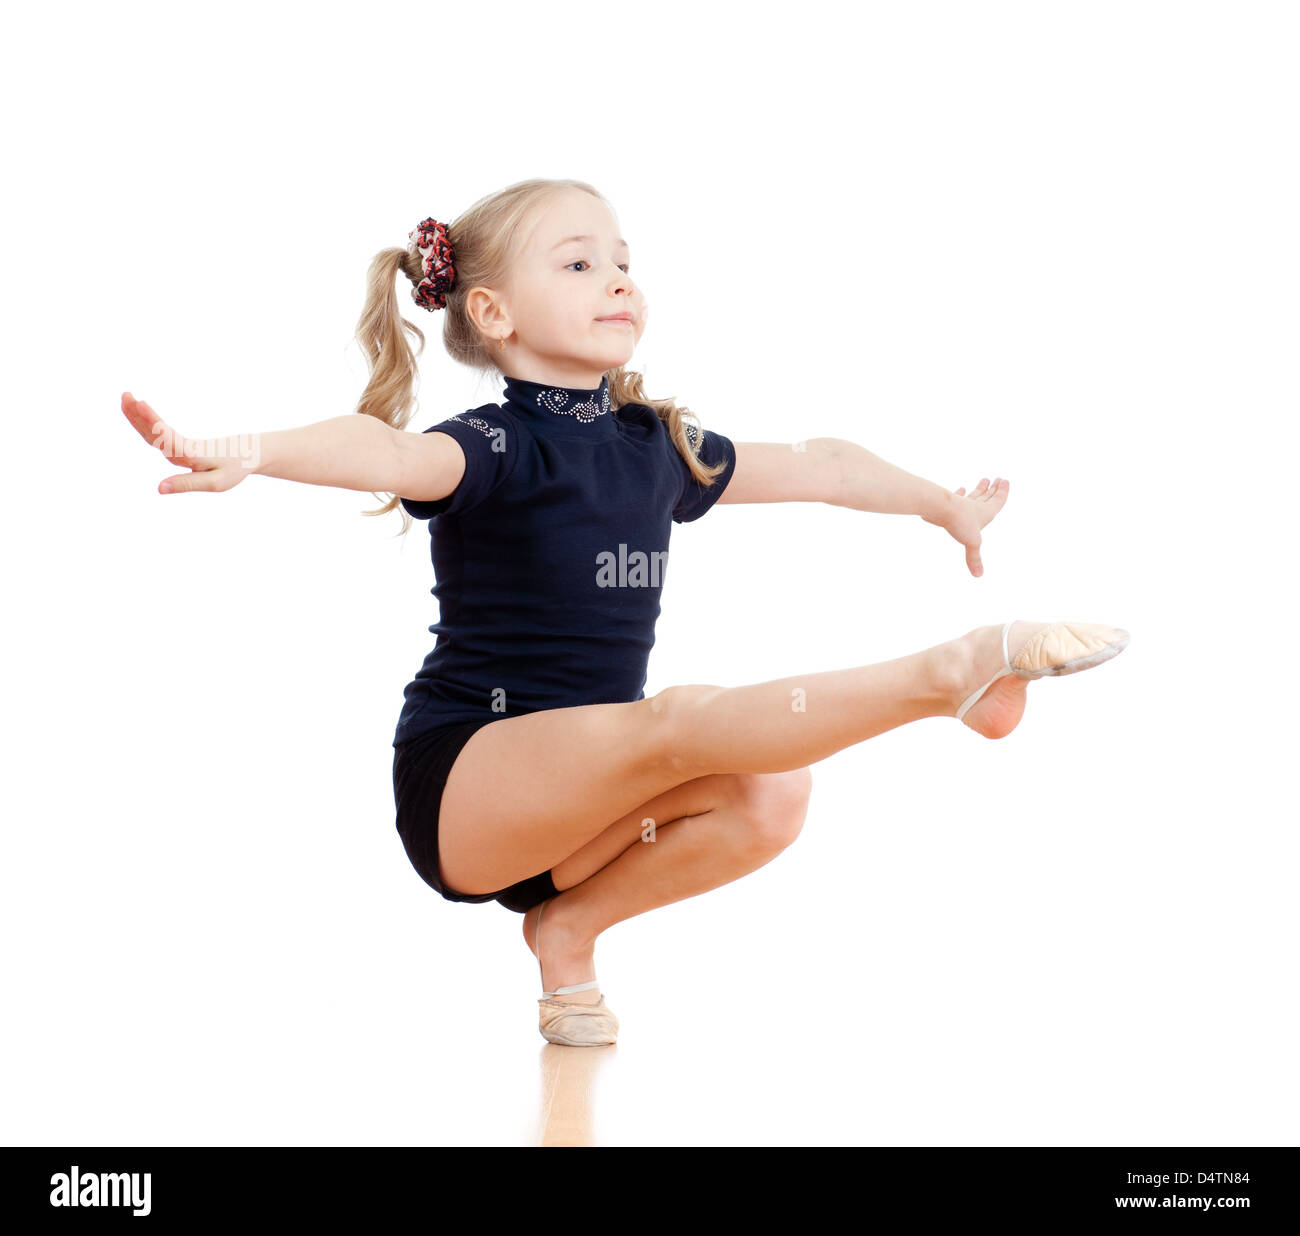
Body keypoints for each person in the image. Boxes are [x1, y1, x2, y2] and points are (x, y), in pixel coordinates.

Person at [121, 177, 1130, 1047]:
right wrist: (249, 450)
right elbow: (381, 452)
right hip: (470, 780)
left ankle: (566, 936)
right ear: (493, 313)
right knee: (681, 718)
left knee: (770, 792)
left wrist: (941, 504)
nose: (616, 278)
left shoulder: (658, 446)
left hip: (588, 821)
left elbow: (822, 465)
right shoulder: (491, 445)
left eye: (621, 260)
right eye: (576, 263)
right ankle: (952, 674)